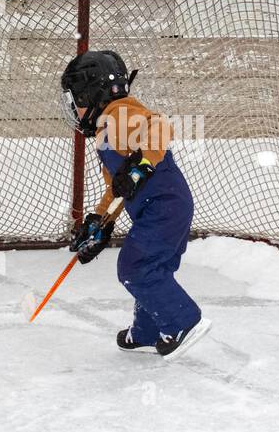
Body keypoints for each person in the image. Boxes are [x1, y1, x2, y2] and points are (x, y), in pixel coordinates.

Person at [60, 50, 211, 360]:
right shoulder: (105, 131)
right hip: (162, 210)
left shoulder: (120, 113)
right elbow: (117, 189)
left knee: (136, 267)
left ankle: (183, 321)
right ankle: (148, 330)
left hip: (164, 208)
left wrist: (141, 165)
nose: (75, 108)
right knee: (152, 269)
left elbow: (160, 127)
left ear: (92, 91)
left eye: (77, 99)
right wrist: (98, 223)